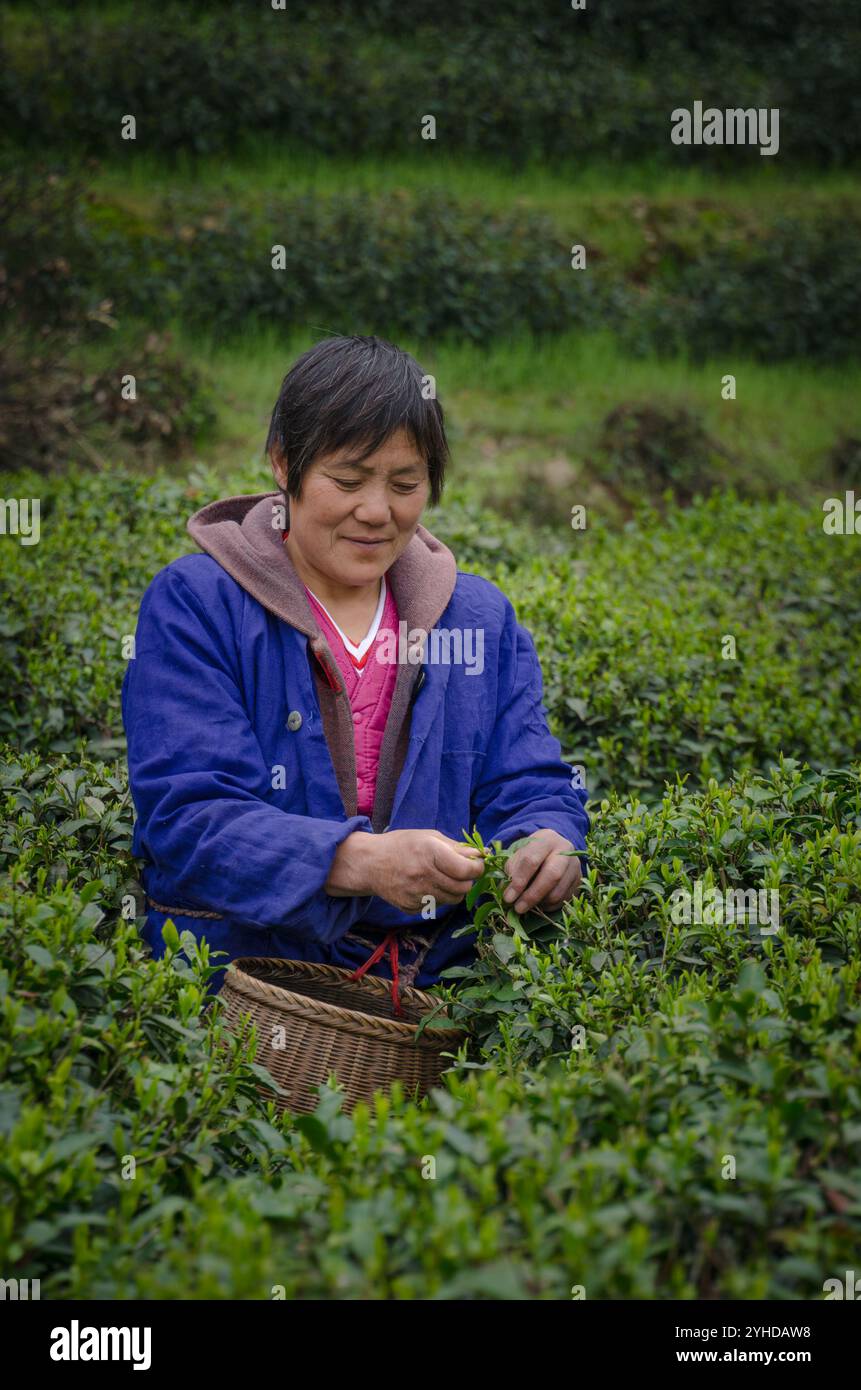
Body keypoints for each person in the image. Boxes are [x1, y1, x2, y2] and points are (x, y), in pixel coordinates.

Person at [122, 334, 589, 1000]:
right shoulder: (197, 605)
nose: (377, 512)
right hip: (247, 973)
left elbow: (529, 779)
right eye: (347, 481)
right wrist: (359, 863)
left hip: (437, 985)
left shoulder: (478, 619)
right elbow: (187, 817)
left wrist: (544, 839)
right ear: (285, 465)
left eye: (405, 484)